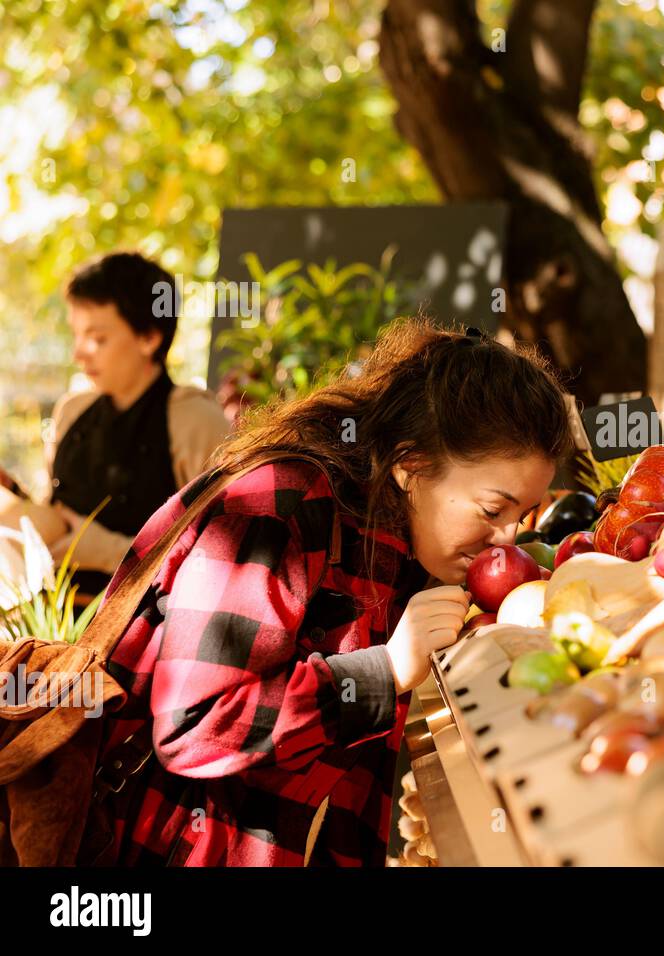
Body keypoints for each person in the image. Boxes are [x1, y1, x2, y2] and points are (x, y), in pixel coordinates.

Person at [88, 321, 573, 866]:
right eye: (493, 509)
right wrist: (382, 672)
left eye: (521, 515)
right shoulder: (278, 503)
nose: (506, 540)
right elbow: (195, 726)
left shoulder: (402, 544)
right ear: (411, 467)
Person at [41, 252, 230, 596]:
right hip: (49, 625)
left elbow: (221, 557)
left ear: (149, 338)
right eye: (76, 334)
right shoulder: (70, 411)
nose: (79, 353)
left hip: (145, 637)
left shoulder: (196, 421)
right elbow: (54, 512)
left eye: (97, 338)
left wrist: (108, 551)